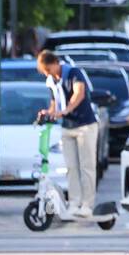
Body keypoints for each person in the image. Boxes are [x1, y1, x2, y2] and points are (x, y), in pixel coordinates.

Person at [35, 50, 99, 218]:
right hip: (67, 126)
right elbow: (54, 102)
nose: (47, 74)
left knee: (87, 166)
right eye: (45, 72)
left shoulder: (73, 73)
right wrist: (49, 112)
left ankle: (87, 204)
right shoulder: (51, 80)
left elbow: (79, 94)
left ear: (55, 63)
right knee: (71, 167)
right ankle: (74, 202)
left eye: (48, 69)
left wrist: (66, 110)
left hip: (85, 125)